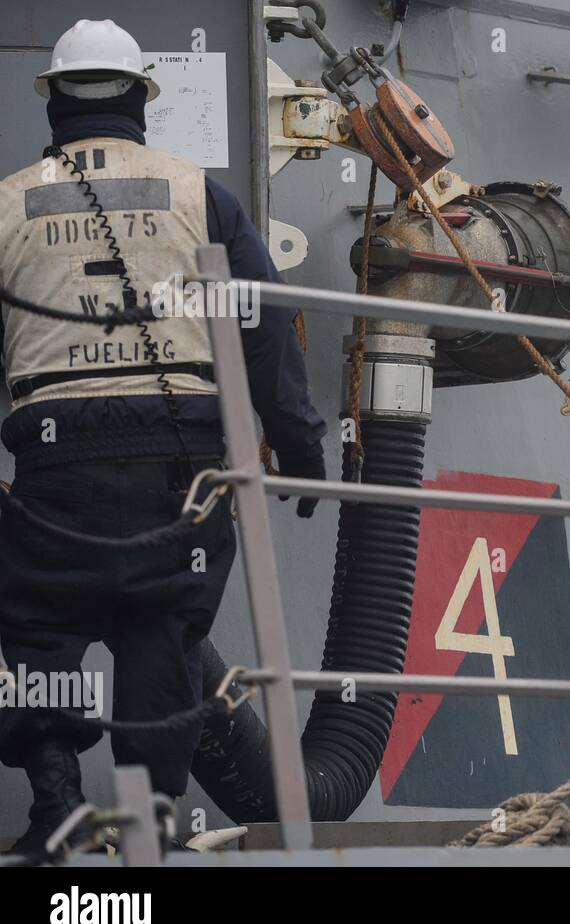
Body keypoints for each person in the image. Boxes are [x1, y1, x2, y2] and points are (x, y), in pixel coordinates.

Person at [0, 19, 326, 855]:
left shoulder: (7, 203)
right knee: (165, 627)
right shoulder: (199, 194)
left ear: (56, 103)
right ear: (143, 98)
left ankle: (58, 809)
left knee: (36, 625)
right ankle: (149, 821)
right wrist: (297, 440)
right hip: (177, 453)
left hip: (52, 449)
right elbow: (262, 316)